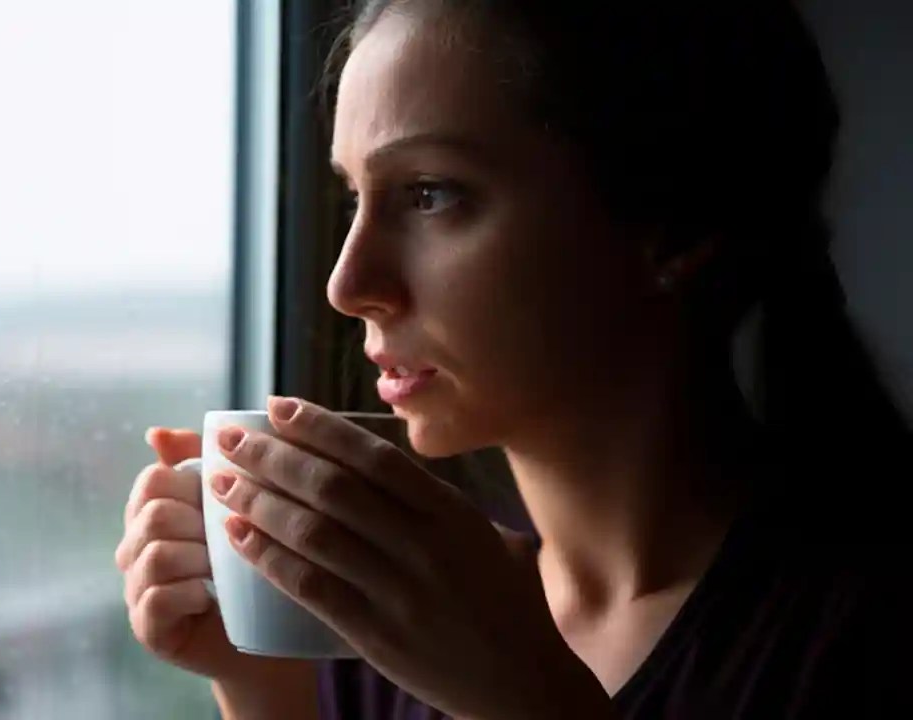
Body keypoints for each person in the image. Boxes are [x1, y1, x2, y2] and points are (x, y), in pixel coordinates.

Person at [115, 1, 908, 717]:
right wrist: (262, 687)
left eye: (429, 193)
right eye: (355, 197)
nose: (347, 286)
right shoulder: (400, 614)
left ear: (672, 223)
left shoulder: (861, 635)